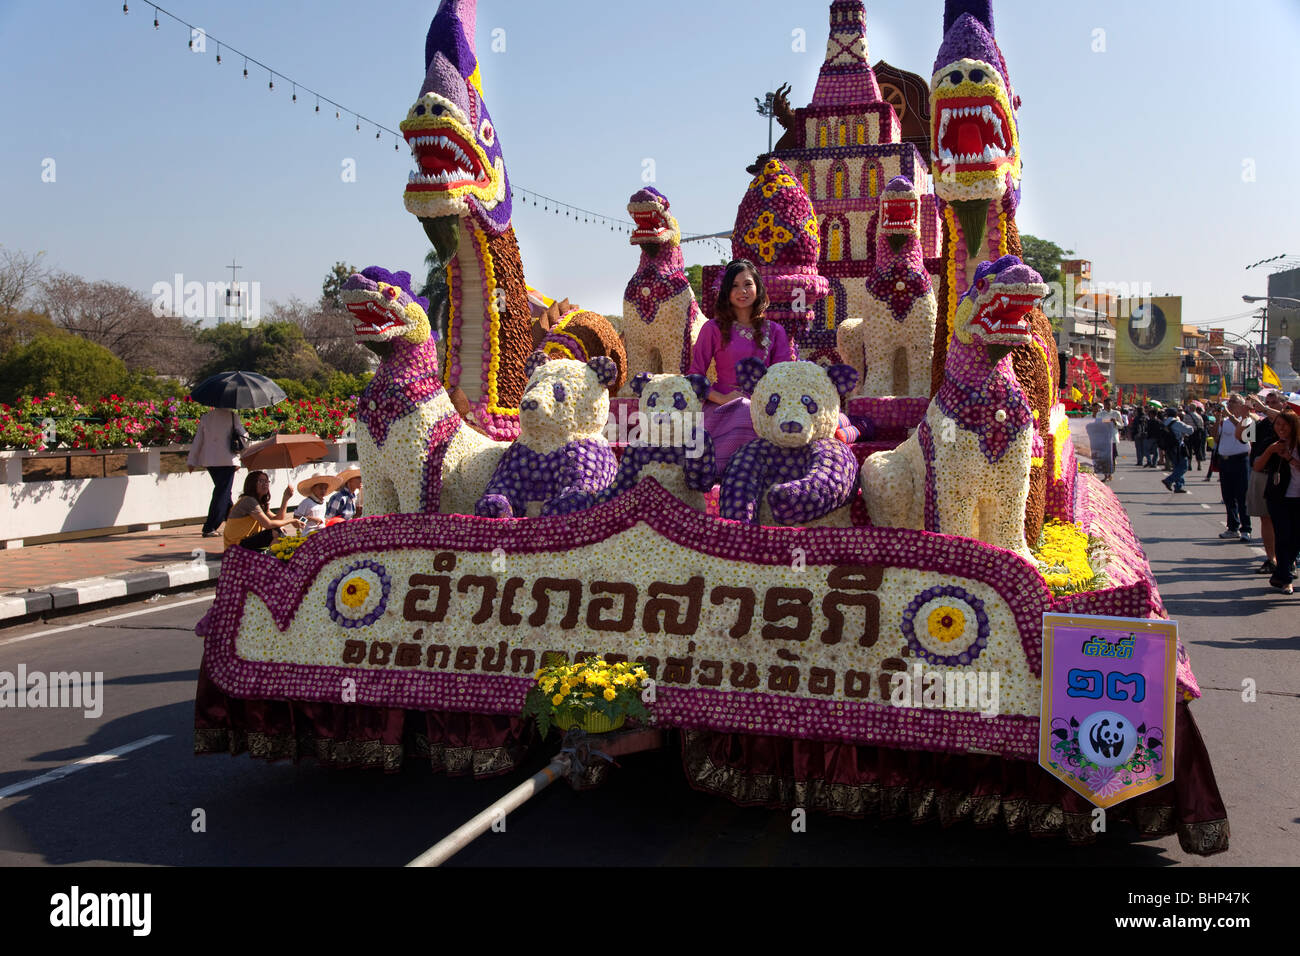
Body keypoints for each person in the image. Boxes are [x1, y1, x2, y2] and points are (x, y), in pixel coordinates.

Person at [689, 259, 791, 474]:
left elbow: (782, 377)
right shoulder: (713, 329)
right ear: (727, 291)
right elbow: (694, 376)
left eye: (747, 284)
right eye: (734, 286)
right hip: (721, 406)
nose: (742, 291)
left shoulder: (775, 331)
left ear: (758, 288)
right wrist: (722, 398)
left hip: (764, 405)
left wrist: (763, 401)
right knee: (744, 409)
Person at [1252, 409, 1300, 594]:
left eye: (1284, 425)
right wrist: (1271, 450)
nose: (1280, 428)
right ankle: (1285, 579)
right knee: (1283, 536)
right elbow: (1257, 466)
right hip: (1278, 498)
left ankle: (1282, 573)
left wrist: (1288, 457)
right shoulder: (1271, 443)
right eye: (1277, 424)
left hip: (1298, 498)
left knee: (1296, 538)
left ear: (1293, 425)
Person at [186, 406, 244, 538]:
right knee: (221, 493)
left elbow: (198, 440)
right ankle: (210, 526)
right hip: (228, 460)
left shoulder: (206, 417)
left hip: (210, 461)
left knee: (223, 492)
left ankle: (234, 521)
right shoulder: (232, 416)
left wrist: (191, 461)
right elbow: (243, 436)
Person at [1245, 391, 1286, 574]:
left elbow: (1282, 418)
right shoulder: (1260, 423)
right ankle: (1271, 559)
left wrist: (1263, 408)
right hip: (1261, 474)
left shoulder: (1287, 422)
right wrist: (1246, 415)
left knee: (1283, 519)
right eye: (1267, 401)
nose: (1270, 404)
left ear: (1282, 404)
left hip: (1281, 475)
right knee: (1266, 518)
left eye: (1274, 402)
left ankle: (1286, 558)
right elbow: (1244, 437)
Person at [222, 471, 303, 551]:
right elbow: (268, 524)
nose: (265, 484)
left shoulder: (260, 503)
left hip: (246, 541)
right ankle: (270, 559)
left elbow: (278, 519)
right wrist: (291, 520)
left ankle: (270, 558)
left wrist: (285, 498)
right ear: (252, 484)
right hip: (235, 546)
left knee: (279, 528)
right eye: (261, 481)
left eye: (267, 481)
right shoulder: (248, 500)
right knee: (276, 531)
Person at [1214, 393, 1254, 541]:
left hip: (1241, 461)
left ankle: (1246, 528)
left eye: (1233, 402)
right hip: (1225, 461)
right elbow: (1215, 437)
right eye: (1229, 401)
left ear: (1242, 405)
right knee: (1228, 496)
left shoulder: (1249, 419)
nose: (1229, 404)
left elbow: (1246, 434)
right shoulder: (1224, 420)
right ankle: (1232, 527)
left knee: (1242, 496)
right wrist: (1218, 419)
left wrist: (1229, 415)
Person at [1160, 407, 1193, 493]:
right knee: (1184, 466)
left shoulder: (1164, 422)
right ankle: (1169, 480)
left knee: (1176, 466)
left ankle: (1178, 486)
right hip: (1177, 447)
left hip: (1168, 447)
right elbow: (1190, 430)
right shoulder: (1176, 423)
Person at [1085, 405, 1115, 481]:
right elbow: (1085, 426)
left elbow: (1108, 426)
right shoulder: (1087, 417)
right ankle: (1096, 473)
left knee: (1104, 457)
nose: (1096, 410)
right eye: (1095, 409)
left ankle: (1107, 474)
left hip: (1103, 441)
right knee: (1094, 457)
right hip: (1092, 440)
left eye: (1098, 409)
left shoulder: (1103, 417)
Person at [1094, 398, 1126, 468]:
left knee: (1112, 456)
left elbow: (1122, 426)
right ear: (1104, 405)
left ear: (1112, 404)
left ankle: (1111, 470)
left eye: (1109, 404)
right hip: (1103, 437)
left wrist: (1115, 422)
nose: (1108, 406)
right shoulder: (1100, 414)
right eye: (1106, 404)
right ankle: (1106, 474)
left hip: (1113, 437)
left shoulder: (1116, 413)